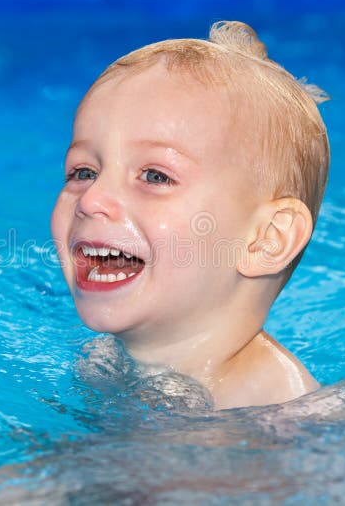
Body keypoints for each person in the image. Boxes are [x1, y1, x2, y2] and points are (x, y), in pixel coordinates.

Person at [50, 21, 330, 410]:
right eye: (84, 172)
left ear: (266, 239)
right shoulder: (101, 361)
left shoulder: (291, 414)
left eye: (154, 176)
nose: (92, 198)